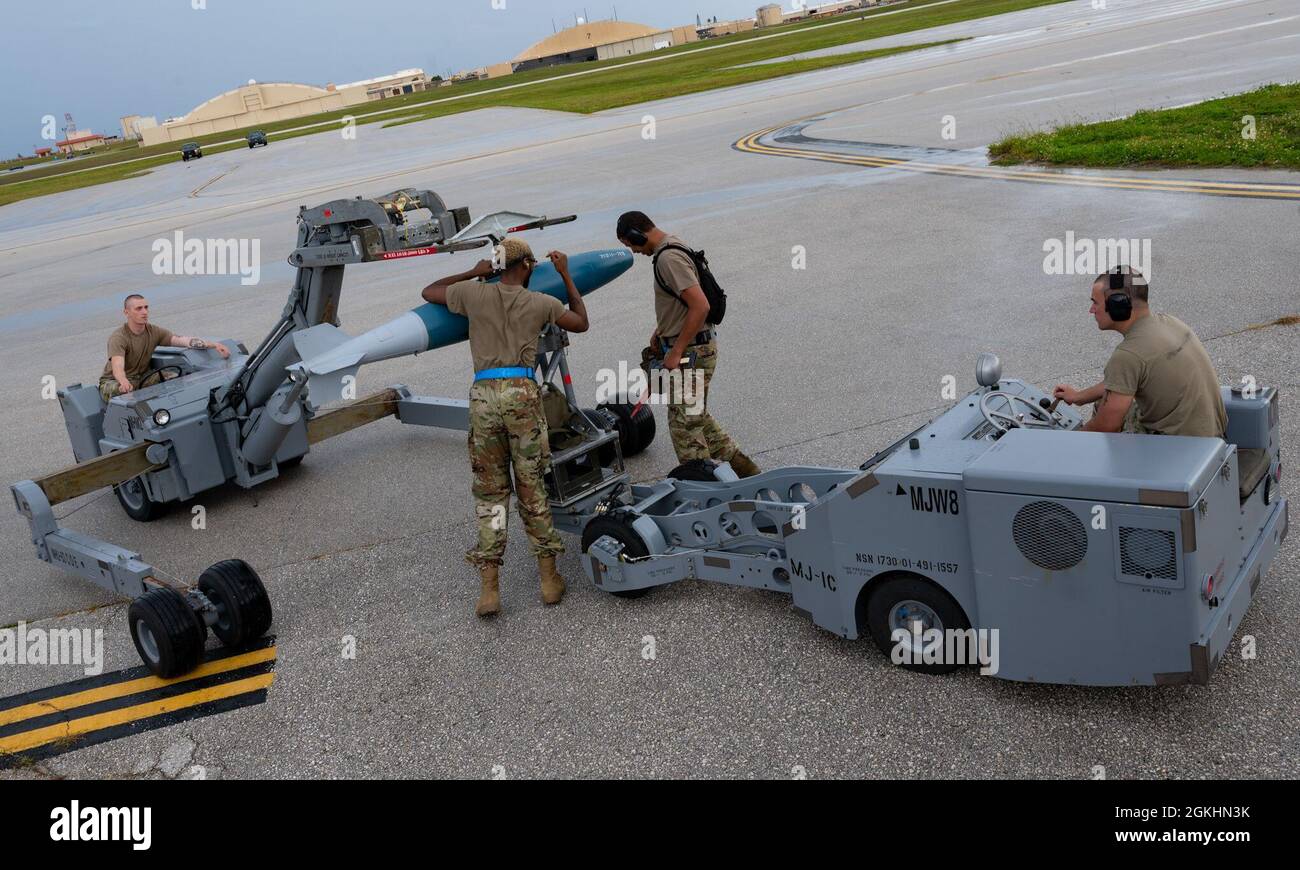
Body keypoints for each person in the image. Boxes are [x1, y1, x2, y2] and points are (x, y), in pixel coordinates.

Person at [422, 239, 589, 618]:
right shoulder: (542, 302)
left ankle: (490, 589)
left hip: (484, 396)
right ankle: (548, 581)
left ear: (497, 267)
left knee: (491, 492)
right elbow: (581, 322)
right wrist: (565, 275)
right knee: (532, 488)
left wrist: (473, 272)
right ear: (528, 265)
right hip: (522, 394)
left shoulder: (473, 294)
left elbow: (429, 291)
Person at [614, 211, 760, 477]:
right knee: (697, 418)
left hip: (689, 353)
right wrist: (664, 329)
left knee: (685, 428)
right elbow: (683, 301)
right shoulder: (674, 245)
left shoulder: (667, 258)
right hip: (693, 347)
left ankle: (705, 488)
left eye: (631, 244)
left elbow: (700, 305)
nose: (634, 251)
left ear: (637, 234)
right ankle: (747, 473)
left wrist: (677, 349)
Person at [1053, 267, 1226, 437]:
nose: (1092, 310)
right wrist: (1078, 397)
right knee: (1105, 401)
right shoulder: (1169, 322)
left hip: (1181, 451)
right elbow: (1120, 381)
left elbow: (1105, 427)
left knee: (1104, 423)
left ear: (1117, 306)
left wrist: (1069, 443)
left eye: (1095, 302)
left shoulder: (1128, 355)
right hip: (1212, 435)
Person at [99, 294, 230, 402]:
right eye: (139, 309)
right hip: (114, 382)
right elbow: (117, 368)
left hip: (142, 378)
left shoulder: (153, 331)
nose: (144, 312)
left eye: (146, 307)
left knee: (175, 377)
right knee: (126, 392)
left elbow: (182, 340)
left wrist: (214, 345)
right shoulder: (119, 337)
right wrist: (123, 382)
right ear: (126, 312)